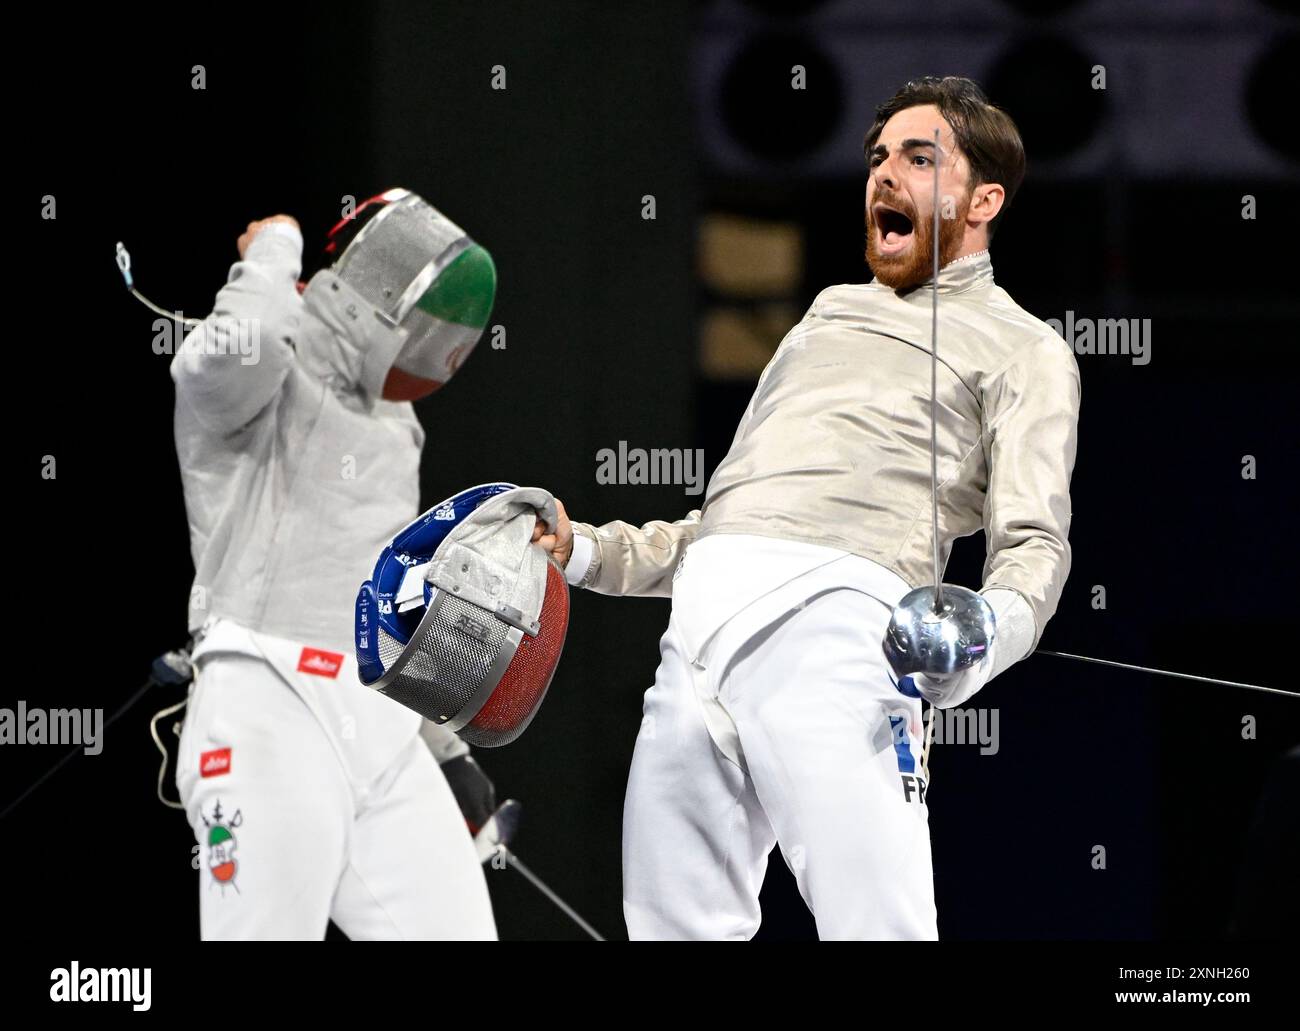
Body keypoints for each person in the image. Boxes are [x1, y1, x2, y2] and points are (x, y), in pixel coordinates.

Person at [534, 76, 1081, 940]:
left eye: (918, 156)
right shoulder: (823, 316)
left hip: (842, 634)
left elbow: (1034, 544)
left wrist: (978, 641)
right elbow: (731, 516)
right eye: (876, 158)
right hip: (696, 643)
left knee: (878, 927)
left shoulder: (1027, 347)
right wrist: (587, 550)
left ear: (985, 199)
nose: (884, 175)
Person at [172, 197, 500, 940]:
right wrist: (274, 245)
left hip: (378, 723)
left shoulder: (395, 423)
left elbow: (375, 599)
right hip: (267, 704)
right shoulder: (254, 378)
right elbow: (248, 335)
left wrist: (443, 751)